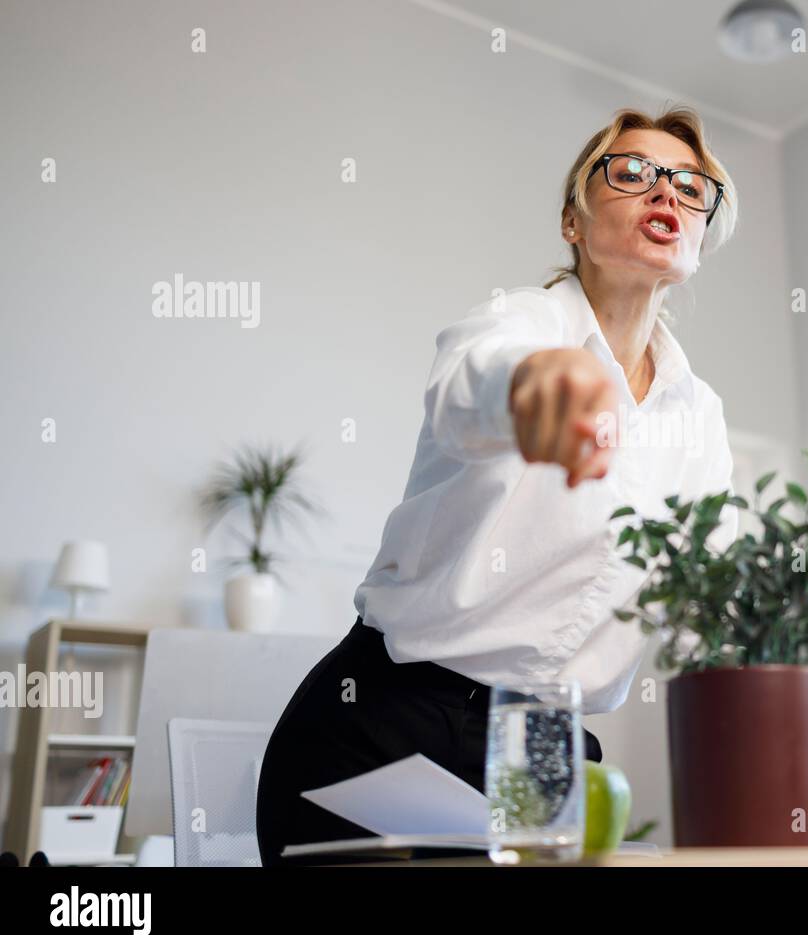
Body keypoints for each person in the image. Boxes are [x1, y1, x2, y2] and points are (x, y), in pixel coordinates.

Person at [256, 106, 741, 865]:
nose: (665, 193)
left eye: (689, 185)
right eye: (632, 173)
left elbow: (706, 600)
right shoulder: (519, 322)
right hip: (390, 719)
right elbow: (466, 389)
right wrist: (532, 385)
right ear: (573, 221)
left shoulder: (700, 415)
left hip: (549, 746)